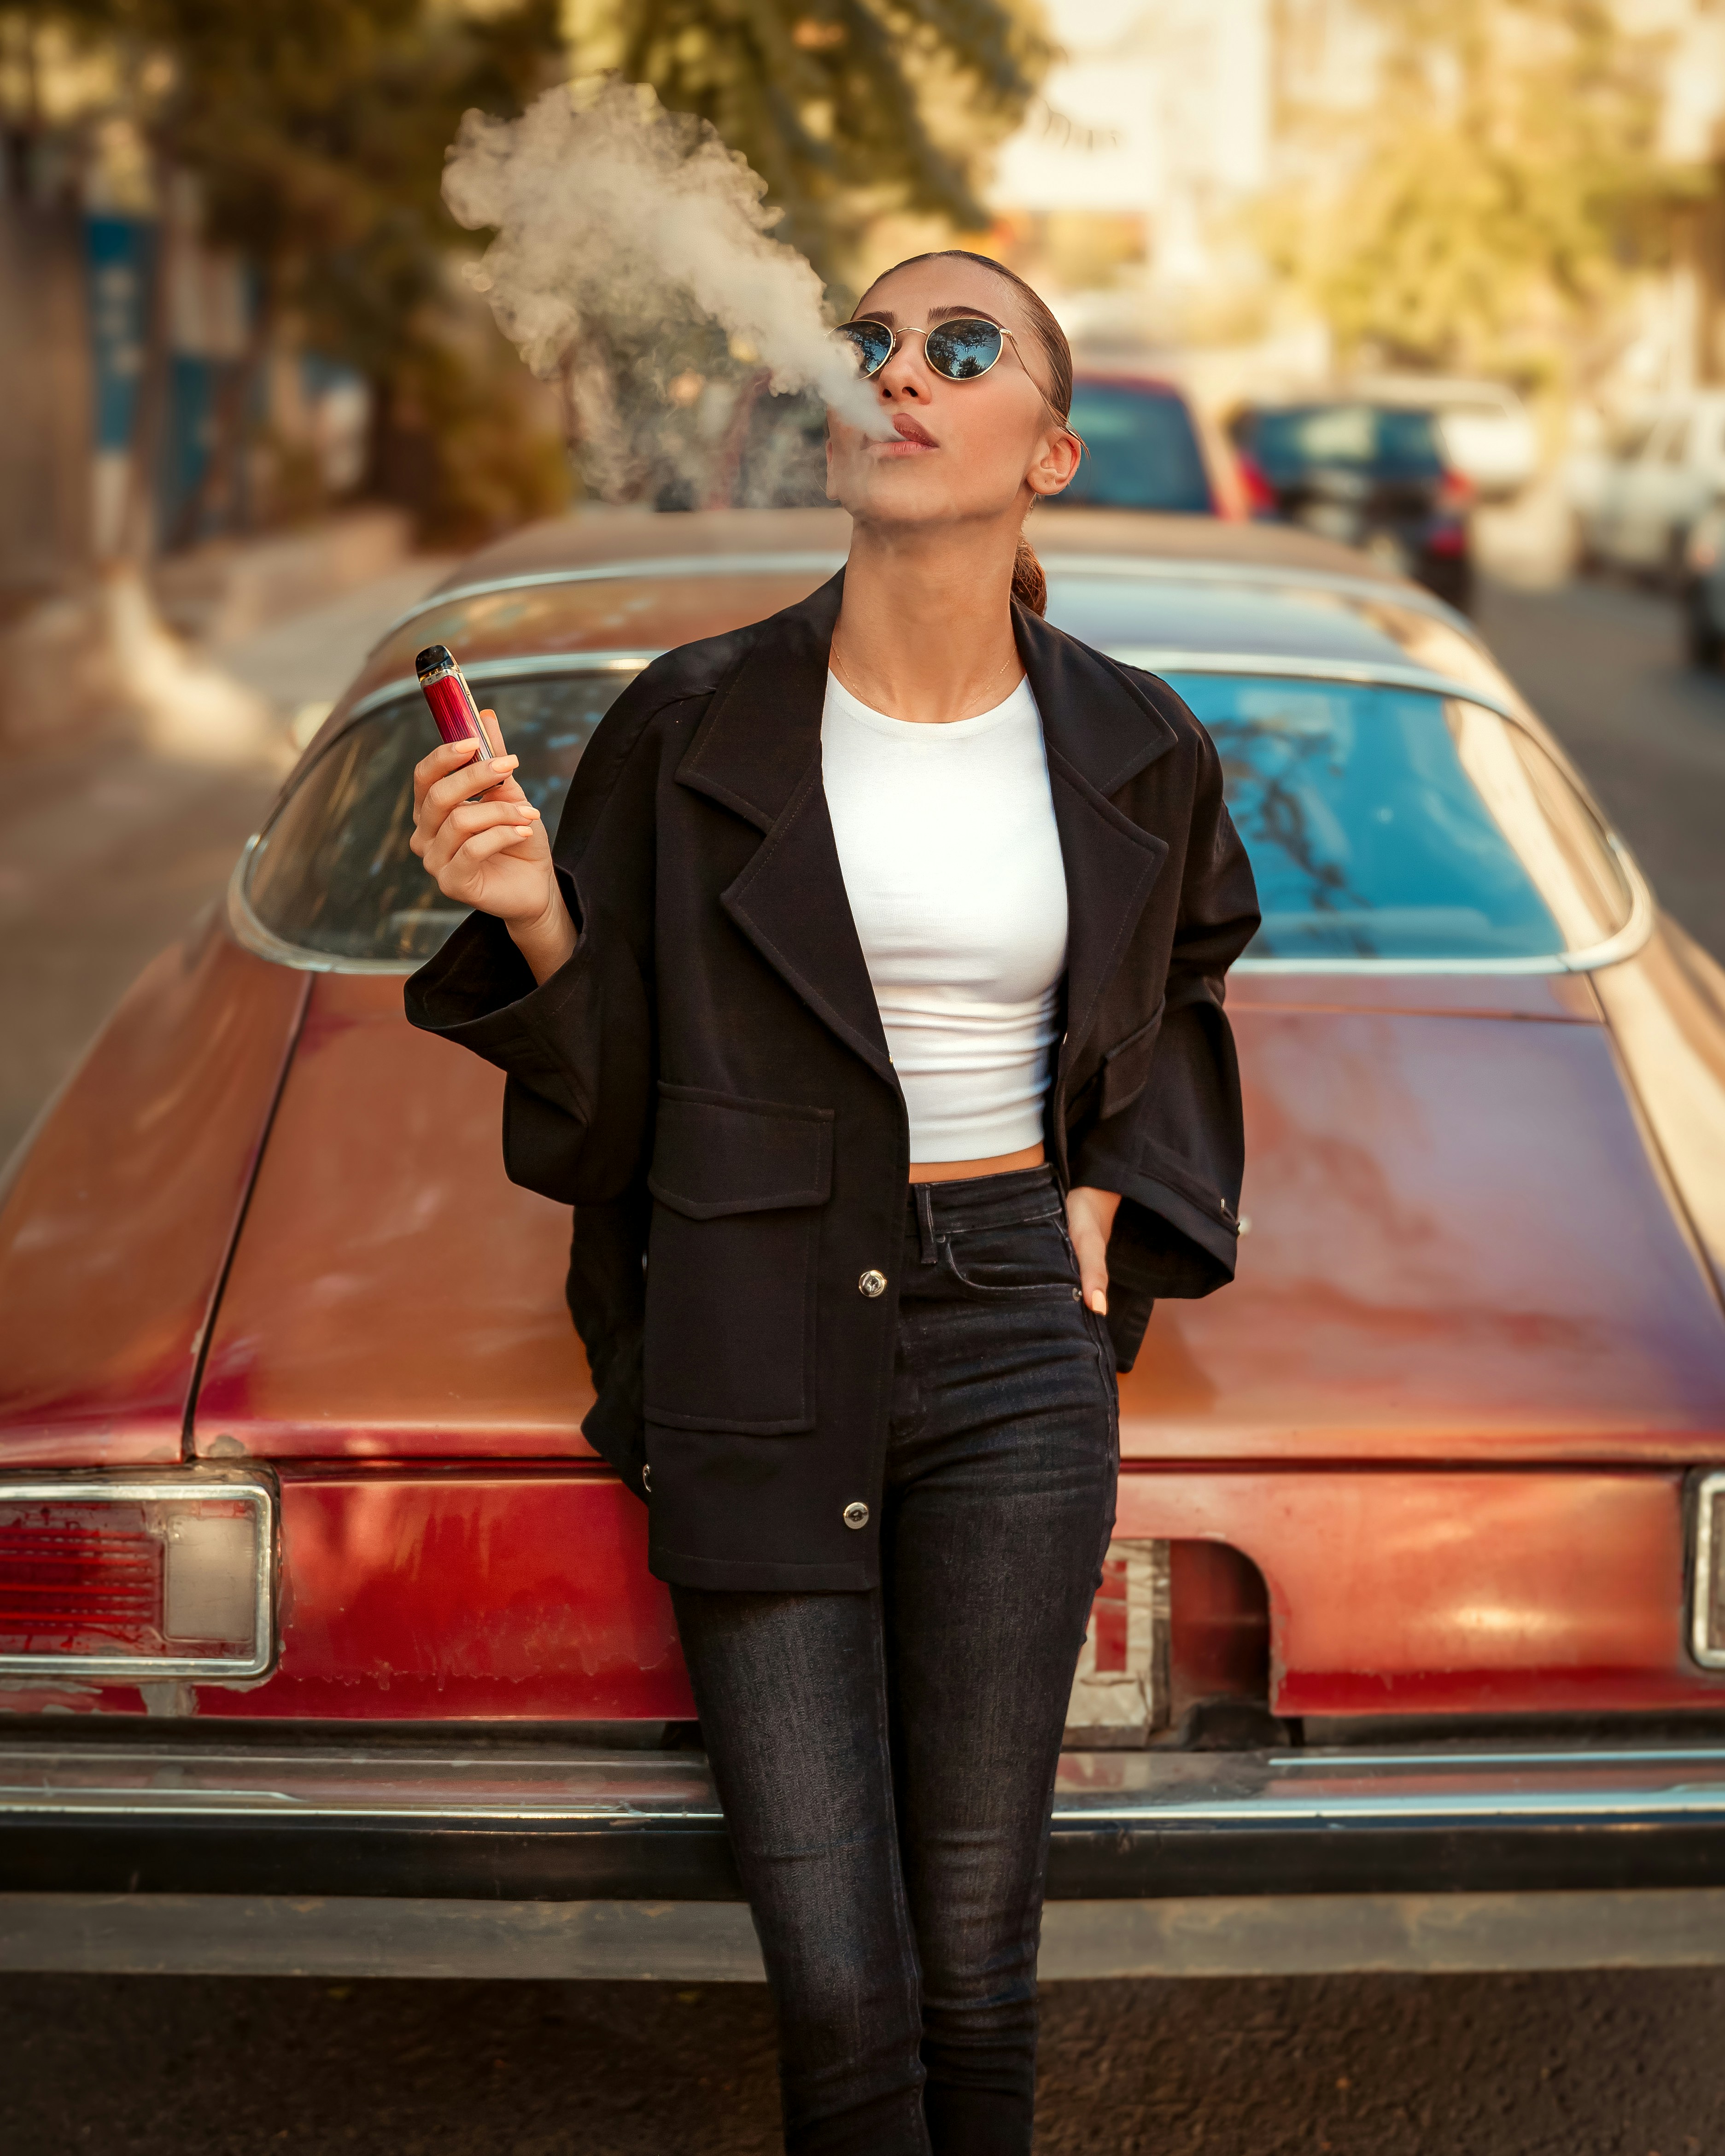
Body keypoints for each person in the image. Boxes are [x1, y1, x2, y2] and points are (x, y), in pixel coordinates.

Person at [404, 251, 1260, 2155]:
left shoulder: (1136, 741)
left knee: (975, 1957)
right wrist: (533, 919)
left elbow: (1187, 982)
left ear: (1047, 452)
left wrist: (1106, 1205)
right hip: (753, 1321)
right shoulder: (689, 722)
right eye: (869, 343)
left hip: (1015, 1332)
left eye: (958, 349)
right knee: (841, 1987)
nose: (898, 374)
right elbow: (610, 1120)